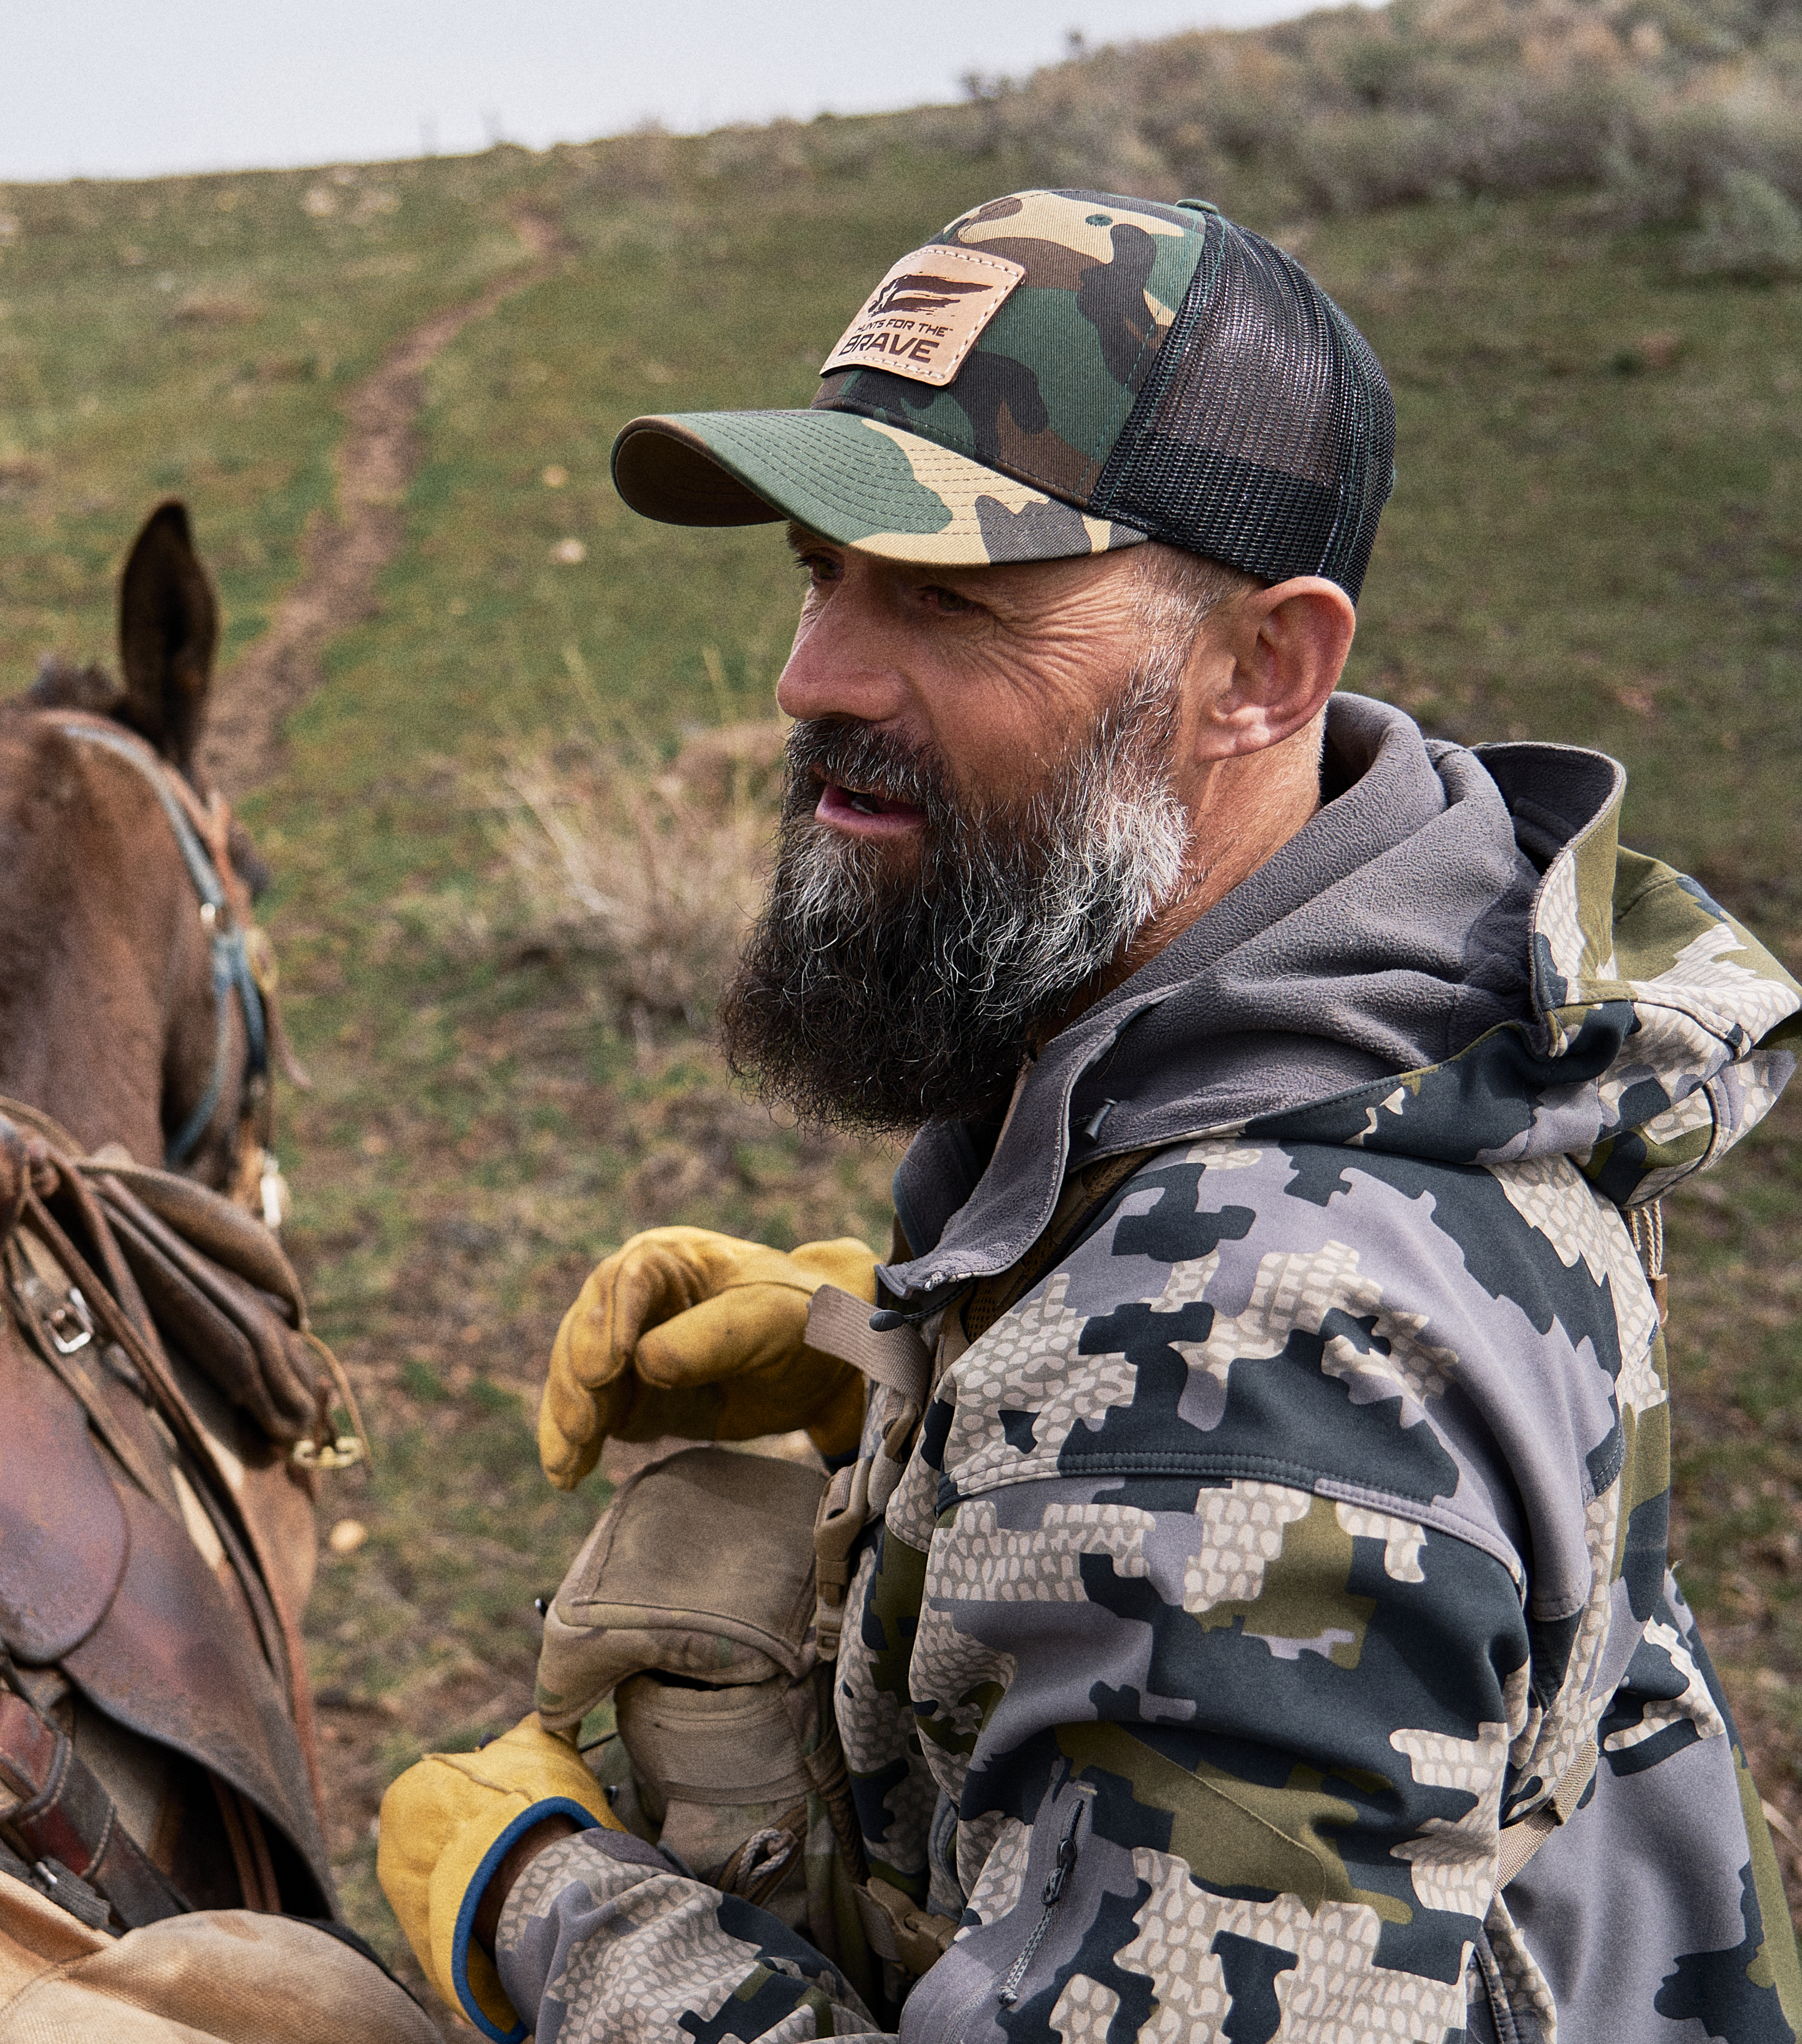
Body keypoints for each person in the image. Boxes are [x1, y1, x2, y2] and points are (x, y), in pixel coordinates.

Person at [377, 188, 1802, 2042]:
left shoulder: (1251, 1362)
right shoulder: (1430, 1011)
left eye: (951, 596)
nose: (815, 678)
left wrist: (549, 1913)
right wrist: (939, 1351)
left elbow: (1281, 1406)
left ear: (1263, 669)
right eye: (822, 570)